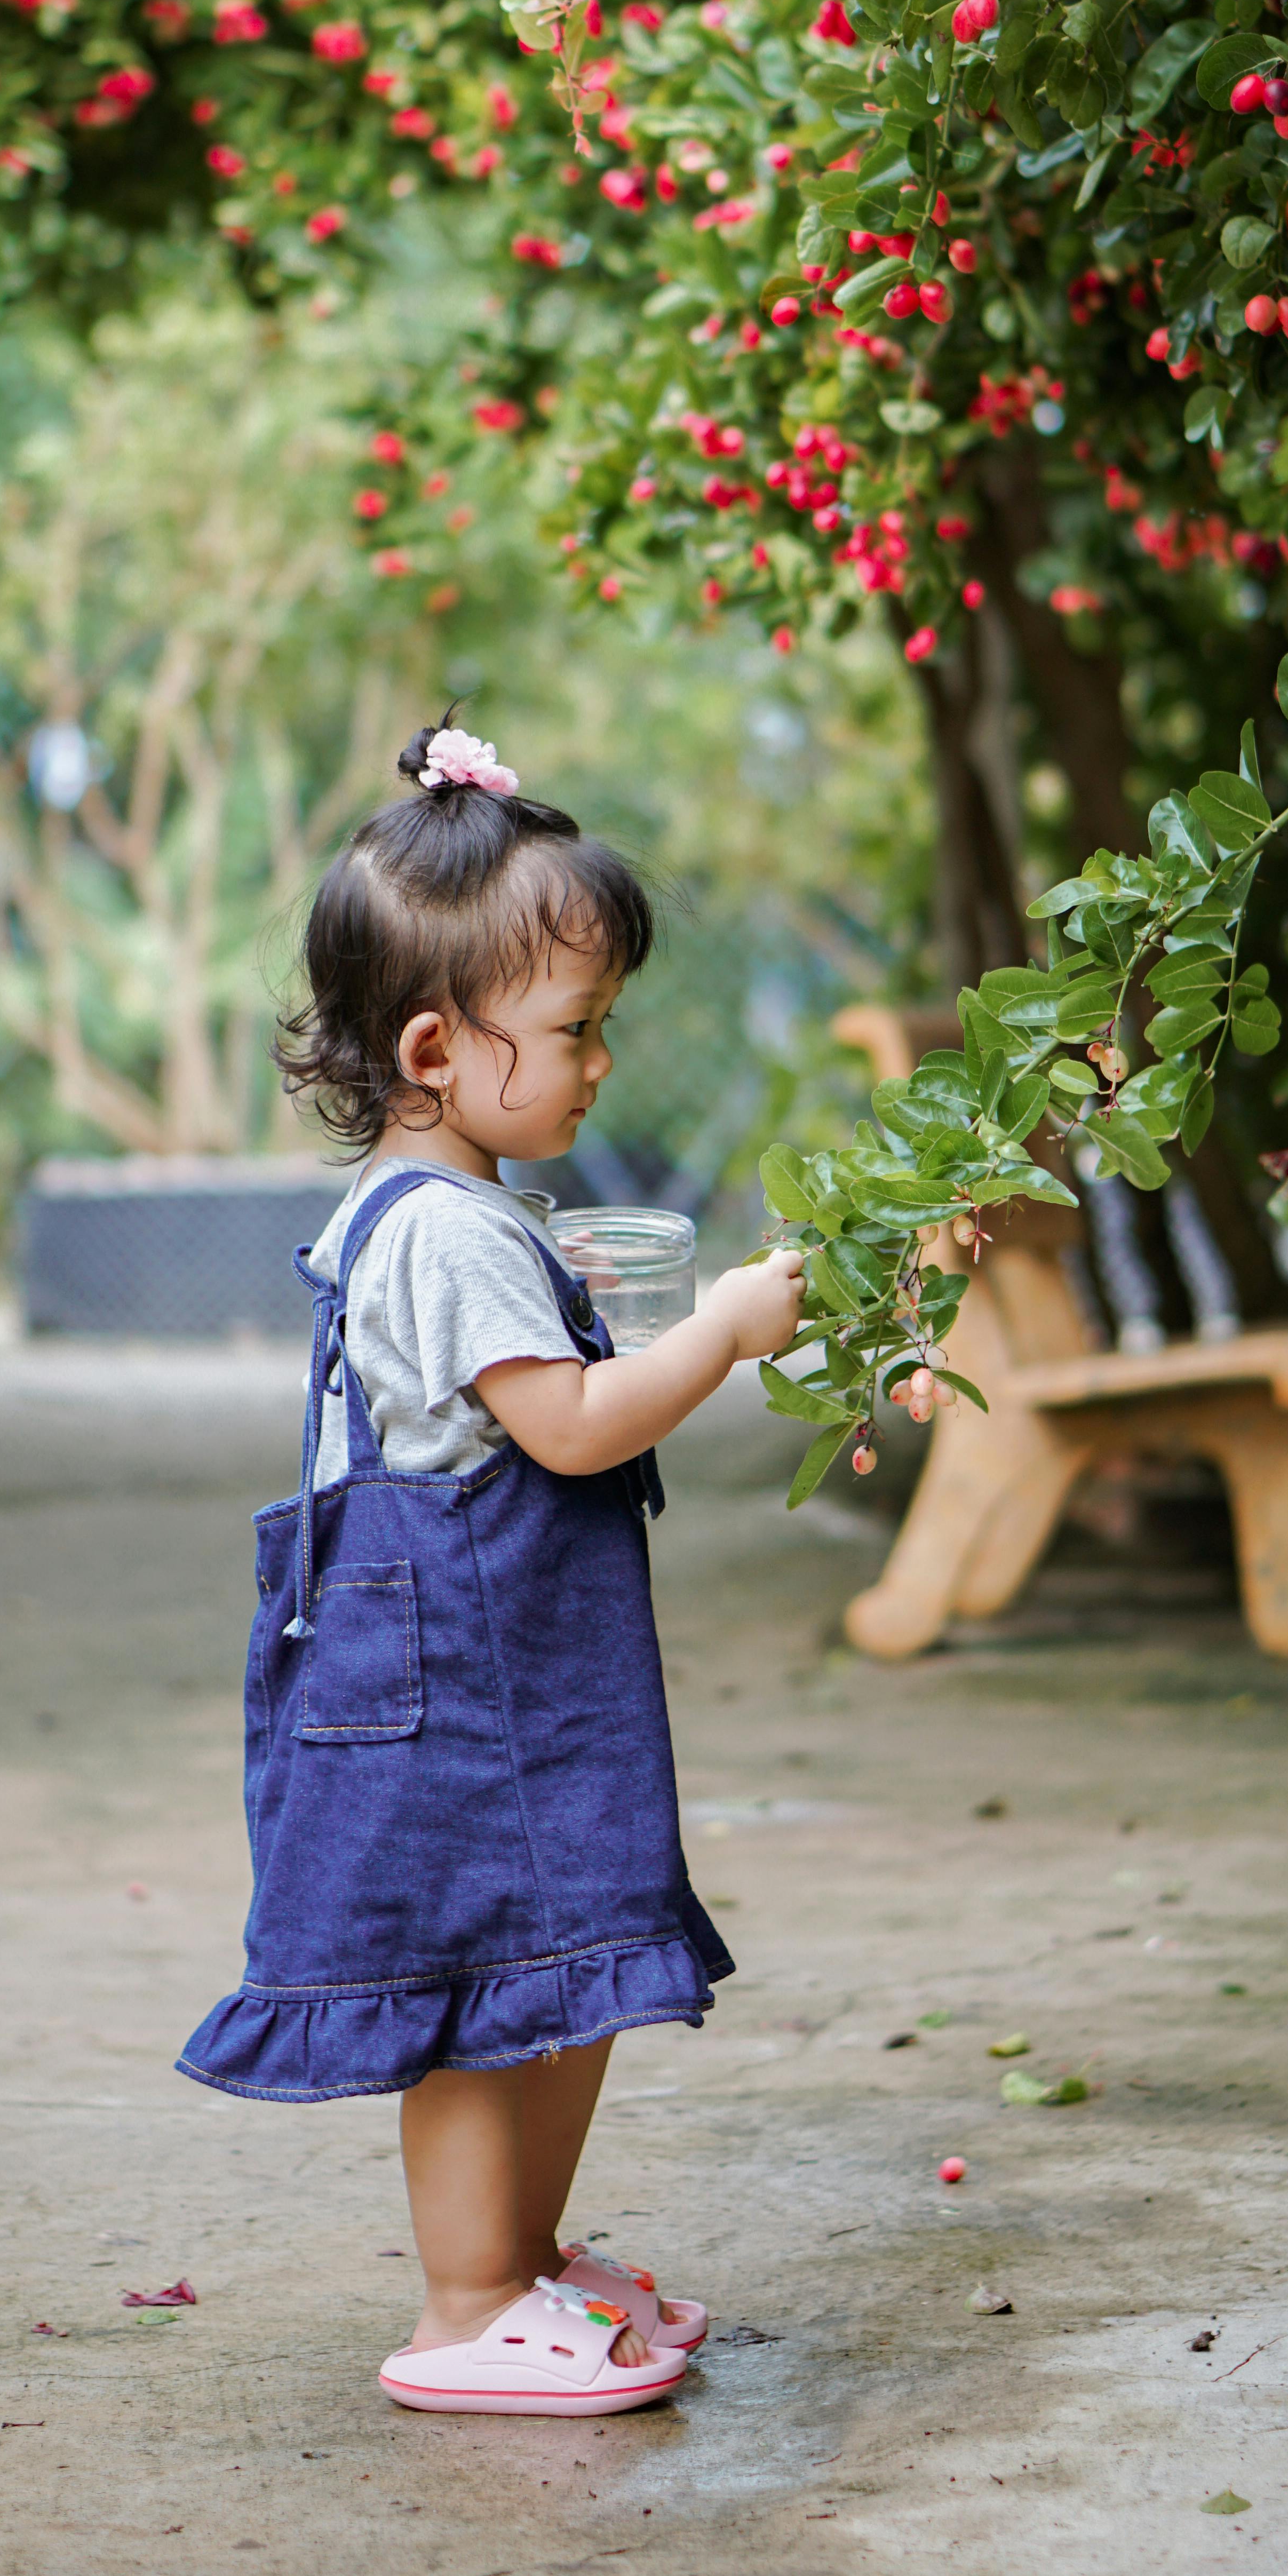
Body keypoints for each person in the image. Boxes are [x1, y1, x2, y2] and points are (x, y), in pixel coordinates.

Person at [178, 720, 804, 2416]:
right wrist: (732, 1329)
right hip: (458, 1690)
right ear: (440, 1048)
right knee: (472, 1985)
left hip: (515, 1679)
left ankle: (522, 2263)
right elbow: (579, 1431)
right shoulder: (448, 1230)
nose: (601, 1066)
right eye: (578, 1032)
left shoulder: (462, 1209)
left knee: (566, 1962)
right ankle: (465, 2309)